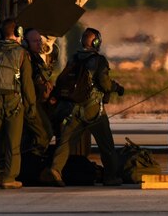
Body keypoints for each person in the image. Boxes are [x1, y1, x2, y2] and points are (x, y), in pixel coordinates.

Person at [45, 27, 124, 187]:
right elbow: (105, 83)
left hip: (73, 108)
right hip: (94, 109)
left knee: (65, 142)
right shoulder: (99, 61)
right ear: (96, 42)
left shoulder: (73, 58)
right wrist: (117, 88)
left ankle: (55, 170)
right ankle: (110, 176)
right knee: (106, 144)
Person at [0, 18, 39, 189]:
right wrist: (31, 106)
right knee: (12, 142)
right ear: (18, 33)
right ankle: (8, 177)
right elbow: (27, 84)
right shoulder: (22, 53)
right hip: (14, 102)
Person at [21, 27, 56, 153]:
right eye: (35, 41)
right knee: (45, 133)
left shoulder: (37, 58)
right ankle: (32, 160)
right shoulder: (24, 58)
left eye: (39, 40)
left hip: (37, 101)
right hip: (29, 102)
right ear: (25, 42)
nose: (39, 44)